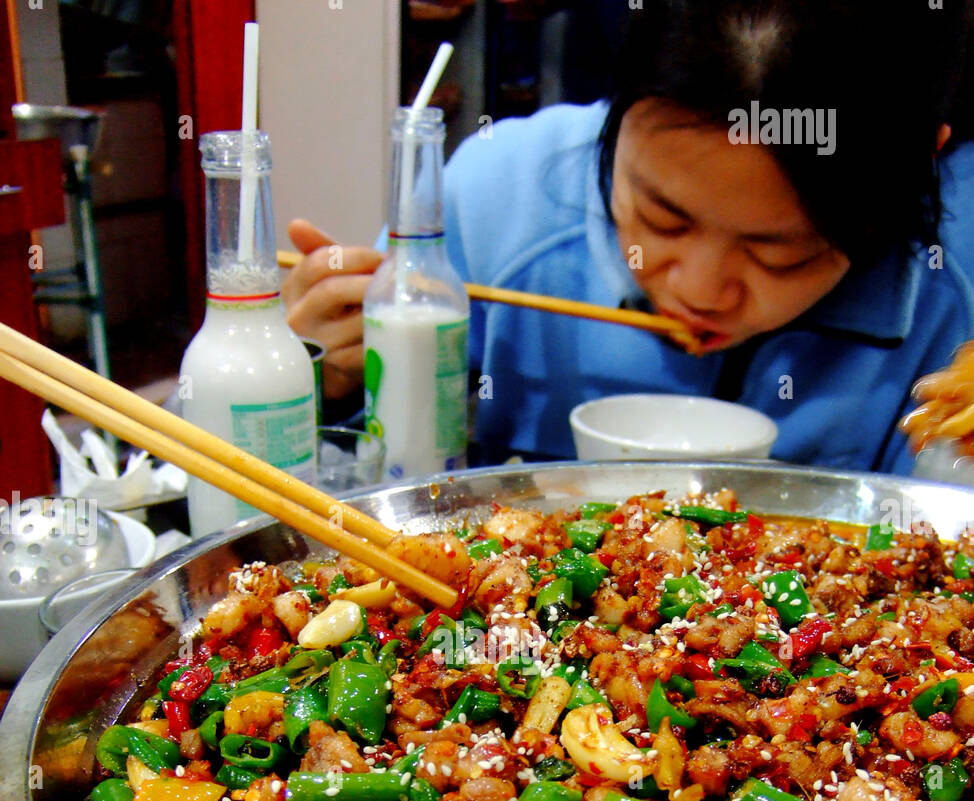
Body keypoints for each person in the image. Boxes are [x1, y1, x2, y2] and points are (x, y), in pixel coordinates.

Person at [282, 0, 974, 473]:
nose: (700, 289)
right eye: (662, 218)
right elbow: (369, 488)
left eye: (780, 253)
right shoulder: (493, 205)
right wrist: (324, 384)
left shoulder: (950, 311)